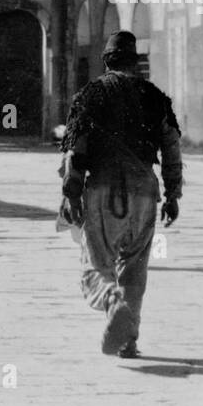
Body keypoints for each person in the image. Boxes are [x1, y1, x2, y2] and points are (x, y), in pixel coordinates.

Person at [59, 31, 183, 358]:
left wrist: (71, 194)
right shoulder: (156, 97)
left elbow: (74, 150)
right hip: (145, 191)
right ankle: (129, 340)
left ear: (106, 61)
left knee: (96, 266)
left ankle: (112, 301)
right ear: (136, 61)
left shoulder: (89, 95)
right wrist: (173, 195)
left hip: (102, 189)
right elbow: (172, 149)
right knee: (135, 268)